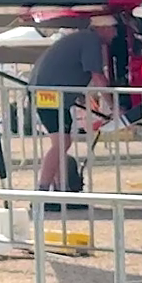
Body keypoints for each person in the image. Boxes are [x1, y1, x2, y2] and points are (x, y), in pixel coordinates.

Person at [29, 14, 117, 192]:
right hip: (50, 95)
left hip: (47, 93)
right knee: (61, 143)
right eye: (114, 29)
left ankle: (61, 189)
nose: (115, 34)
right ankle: (43, 189)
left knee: (62, 142)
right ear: (104, 28)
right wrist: (114, 106)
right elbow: (98, 77)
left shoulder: (81, 39)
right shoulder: (91, 41)